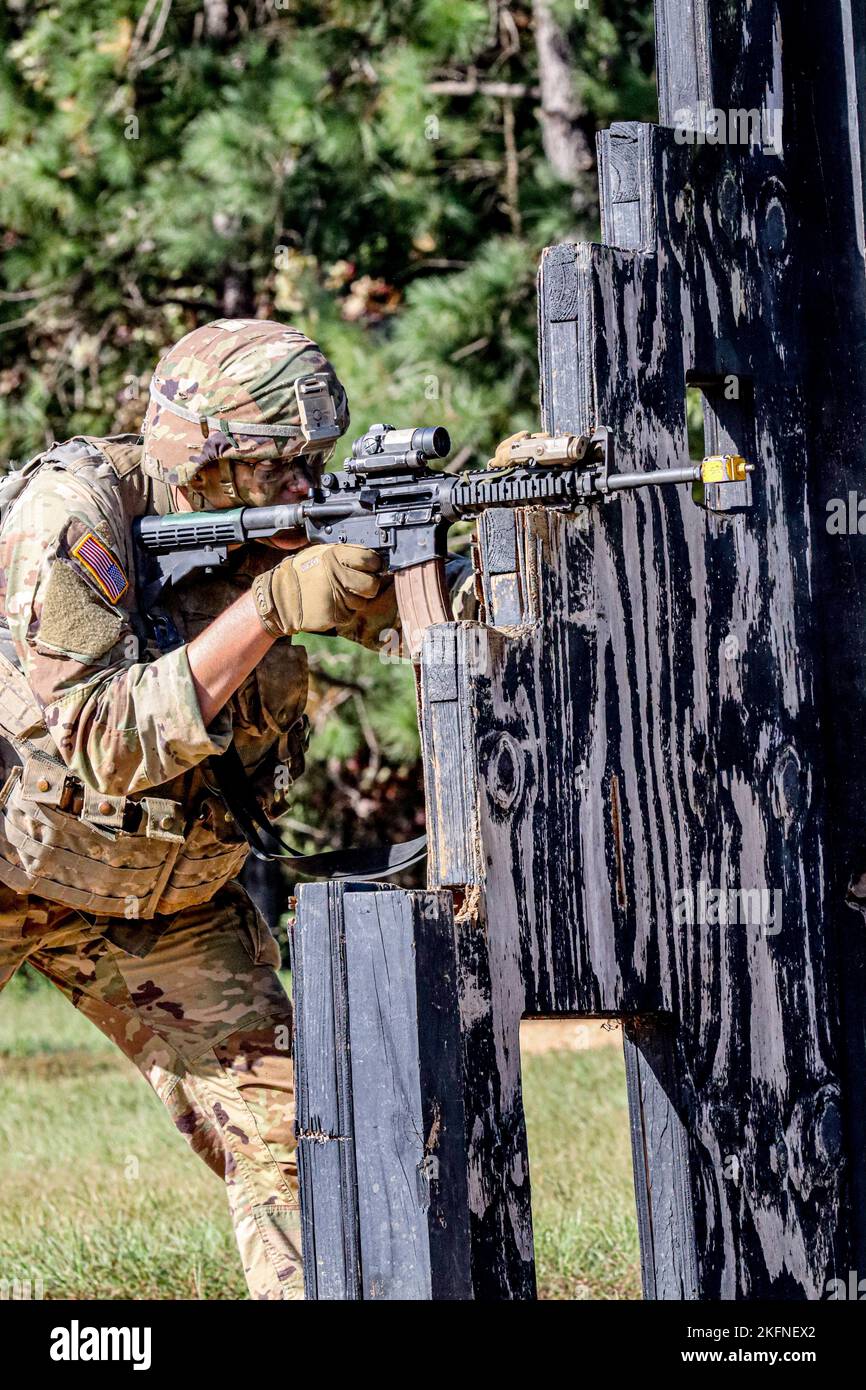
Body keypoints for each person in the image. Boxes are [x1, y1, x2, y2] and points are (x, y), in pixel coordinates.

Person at [0, 317, 471, 1300]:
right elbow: (101, 739)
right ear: (203, 460)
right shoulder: (72, 517)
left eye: (314, 463)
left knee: (304, 1148)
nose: (303, 487)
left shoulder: (277, 521)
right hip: (16, 857)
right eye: (278, 466)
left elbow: (441, 633)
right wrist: (265, 610)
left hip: (168, 899)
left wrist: (468, 554)